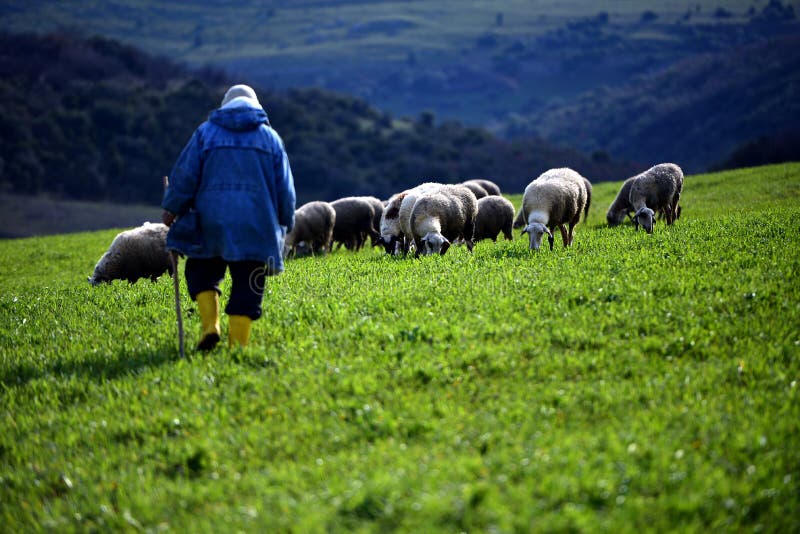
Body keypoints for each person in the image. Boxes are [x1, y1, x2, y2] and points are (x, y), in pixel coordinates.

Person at [161, 84, 296, 350]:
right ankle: (238, 346)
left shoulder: (205, 134)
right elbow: (285, 188)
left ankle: (211, 327)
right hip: (257, 225)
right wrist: (286, 219)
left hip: (210, 220)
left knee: (202, 271)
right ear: (257, 107)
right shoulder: (270, 139)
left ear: (225, 105)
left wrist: (172, 207)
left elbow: (186, 175)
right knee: (249, 282)